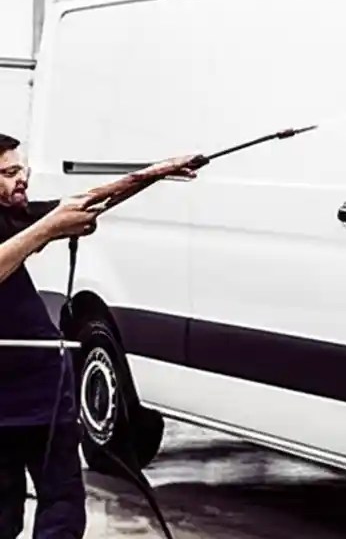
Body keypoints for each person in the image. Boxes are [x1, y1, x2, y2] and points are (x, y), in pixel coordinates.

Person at [0, 132, 197, 539]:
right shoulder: (22, 228)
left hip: (43, 392)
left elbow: (88, 200)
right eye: (8, 172)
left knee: (63, 504)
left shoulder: (11, 215)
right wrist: (48, 229)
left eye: (23, 170)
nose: (22, 179)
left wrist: (153, 174)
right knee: (3, 513)